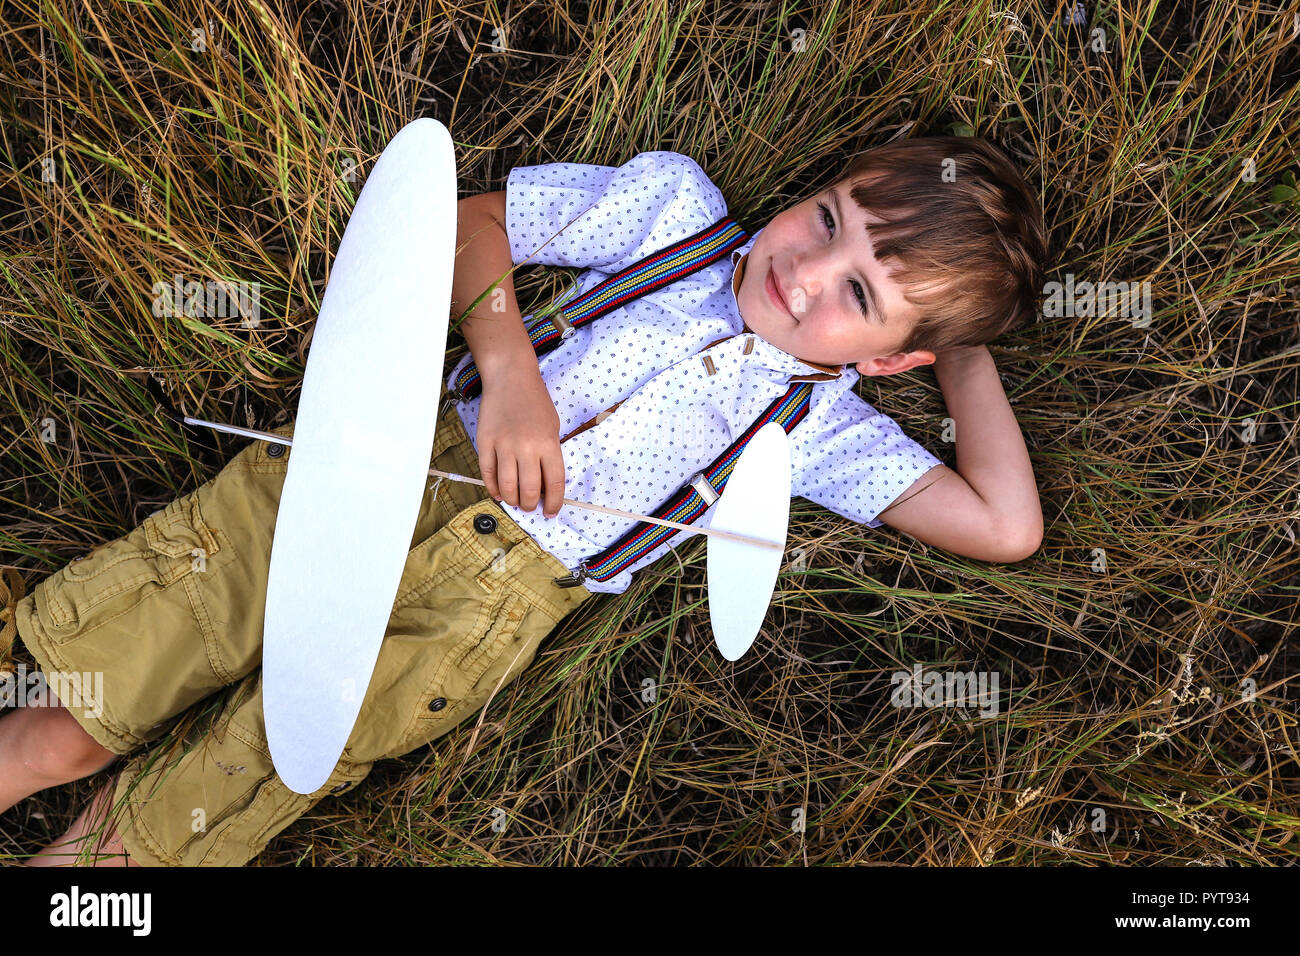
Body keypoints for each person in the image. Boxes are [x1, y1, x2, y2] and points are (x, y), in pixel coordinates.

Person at [0, 134, 1046, 865]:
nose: (808, 273)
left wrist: (956, 355)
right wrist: (507, 367)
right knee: (87, 705)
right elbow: (467, 221)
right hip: (382, 463)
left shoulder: (821, 434)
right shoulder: (674, 213)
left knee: (208, 796)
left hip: (463, 618)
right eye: (826, 221)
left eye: (859, 295)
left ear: (891, 356)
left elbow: (1004, 524)